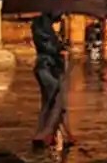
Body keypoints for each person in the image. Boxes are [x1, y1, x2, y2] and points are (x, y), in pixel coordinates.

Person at [31, 11, 75, 148]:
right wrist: (59, 49)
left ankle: (65, 135)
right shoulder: (43, 27)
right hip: (48, 67)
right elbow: (48, 46)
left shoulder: (41, 26)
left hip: (46, 67)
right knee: (57, 102)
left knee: (51, 101)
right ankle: (45, 134)